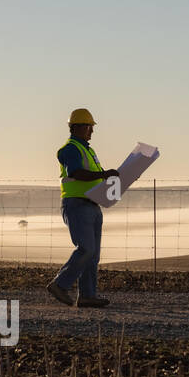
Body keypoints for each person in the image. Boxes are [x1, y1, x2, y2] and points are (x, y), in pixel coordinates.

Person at [47, 108, 119, 307]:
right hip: (77, 204)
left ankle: (87, 296)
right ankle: (60, 285)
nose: (92, 131)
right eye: (89, 126)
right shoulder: (70, 149)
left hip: (92, 204)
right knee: (86, 249)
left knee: (93, 254)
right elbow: (77, 173)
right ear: (77, 127)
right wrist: (104, 175)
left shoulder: (87, 149)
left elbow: (90, 175)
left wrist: (107, 180)